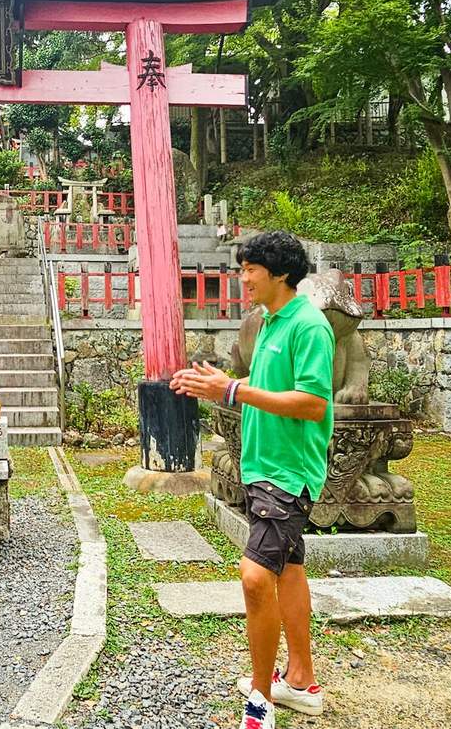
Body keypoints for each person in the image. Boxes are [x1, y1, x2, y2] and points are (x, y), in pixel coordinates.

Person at [170, 231, 334, 729]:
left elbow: (314, 403)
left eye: (249, 270)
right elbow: (261, 393)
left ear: (279, 273)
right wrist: (218, 388)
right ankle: (301, 680)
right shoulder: (269, 322)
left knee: (254, 576)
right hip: (265, 466)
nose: (242, 279)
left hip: (289, 472)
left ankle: (260, 702)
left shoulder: (308, 326)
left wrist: (233, 389)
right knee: (288, 570)